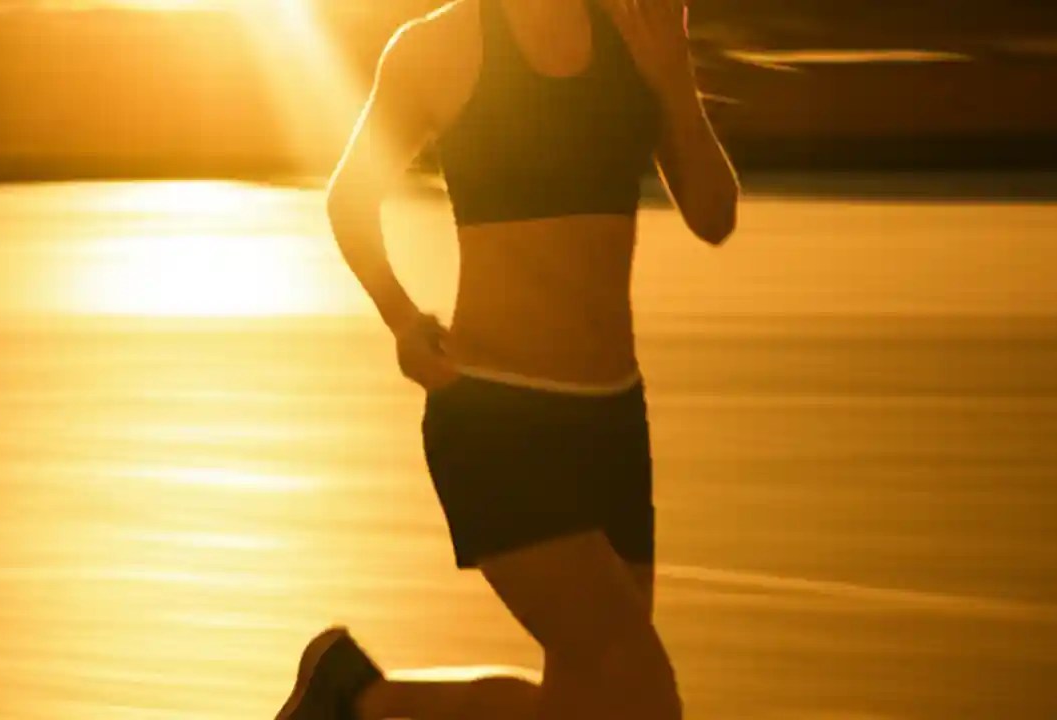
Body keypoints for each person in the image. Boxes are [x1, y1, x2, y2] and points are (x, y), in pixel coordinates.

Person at [275, 0, 737, 717]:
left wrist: (674, 83)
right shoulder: (439, 48)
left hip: (613, 424)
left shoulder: (636, 30)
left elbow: (714, 215)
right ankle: (358, 701)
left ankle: (356, 701)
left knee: (589, 705)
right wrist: (403, 321)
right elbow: (350, 202)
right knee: (644, 702)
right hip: (498, 421)